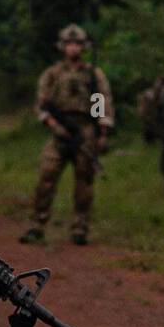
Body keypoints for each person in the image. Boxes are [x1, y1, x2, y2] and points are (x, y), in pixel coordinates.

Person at [19, 24, 114, 247]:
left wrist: (102, 131)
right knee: (46, 175)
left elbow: (102, 101)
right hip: (59, 131)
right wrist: (53, 124)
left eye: (78, 44)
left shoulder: (93, 74)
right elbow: (42, 104)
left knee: (84, 182)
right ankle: (37, 225)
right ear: (63, 47)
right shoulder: (52, 74)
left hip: (84, 130)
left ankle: (80, 227)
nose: (73, 48)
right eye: (70, 44)